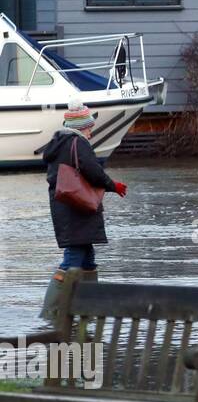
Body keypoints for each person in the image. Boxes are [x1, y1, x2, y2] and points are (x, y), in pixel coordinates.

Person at [38, 104, 127, 318]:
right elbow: (93, 170)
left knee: (87, 257)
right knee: (73, 258)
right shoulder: (78, 142)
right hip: (76, 211)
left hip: (68, 210)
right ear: (80, 127)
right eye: (89, 127)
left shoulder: (60, 143)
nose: (91, 131)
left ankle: (86, 308)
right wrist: (112, 185)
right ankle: (51, 313)